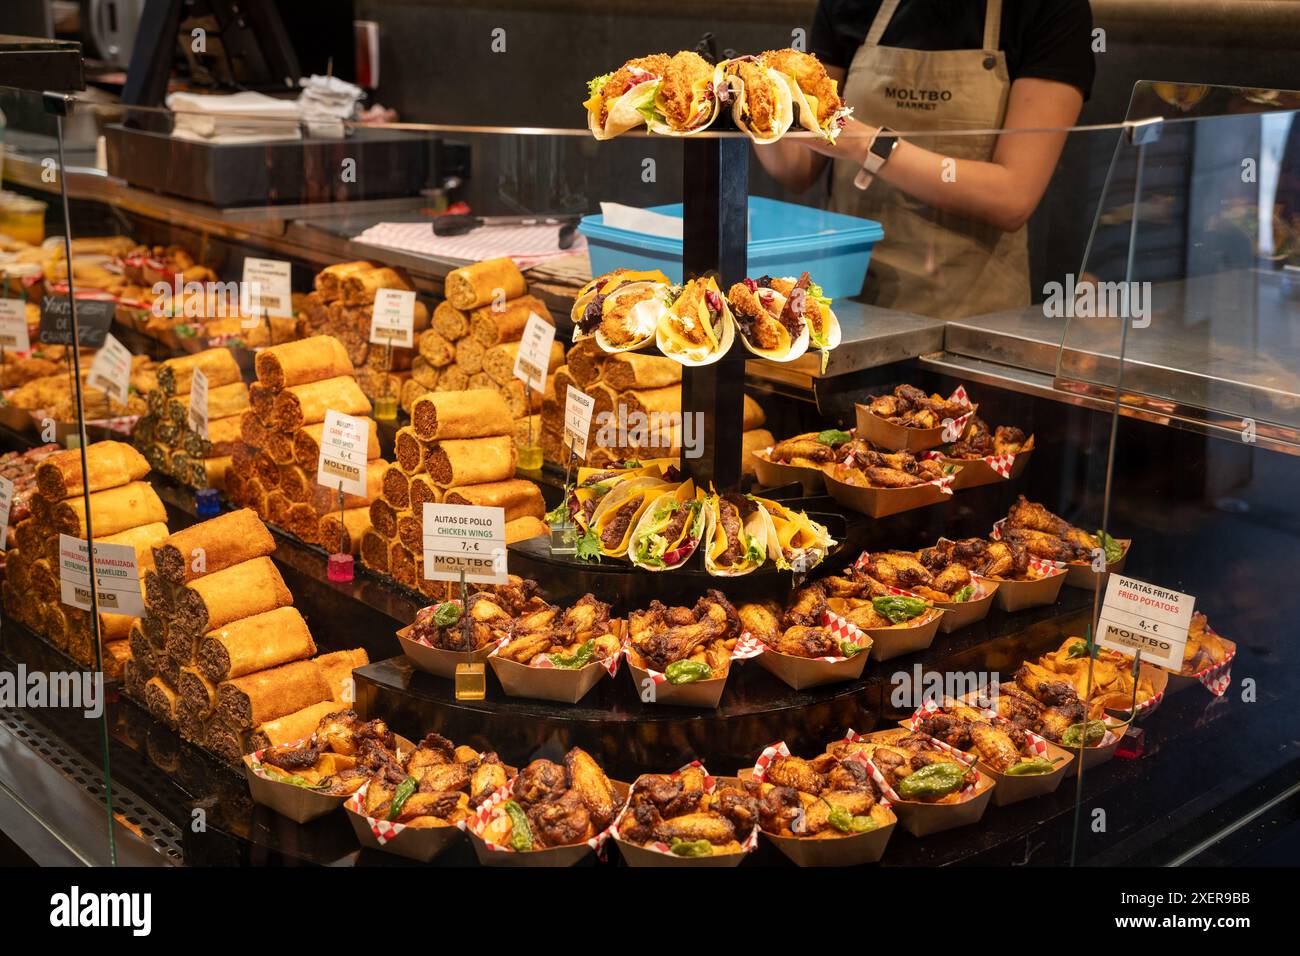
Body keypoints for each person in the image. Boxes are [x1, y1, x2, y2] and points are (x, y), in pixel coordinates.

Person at [756, 0, 1096, 319]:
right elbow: (796, 168)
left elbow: (1013, 196)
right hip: (845, 308)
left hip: (968, 322)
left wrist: (869, 145)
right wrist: (754, 107)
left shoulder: (1050, 8)